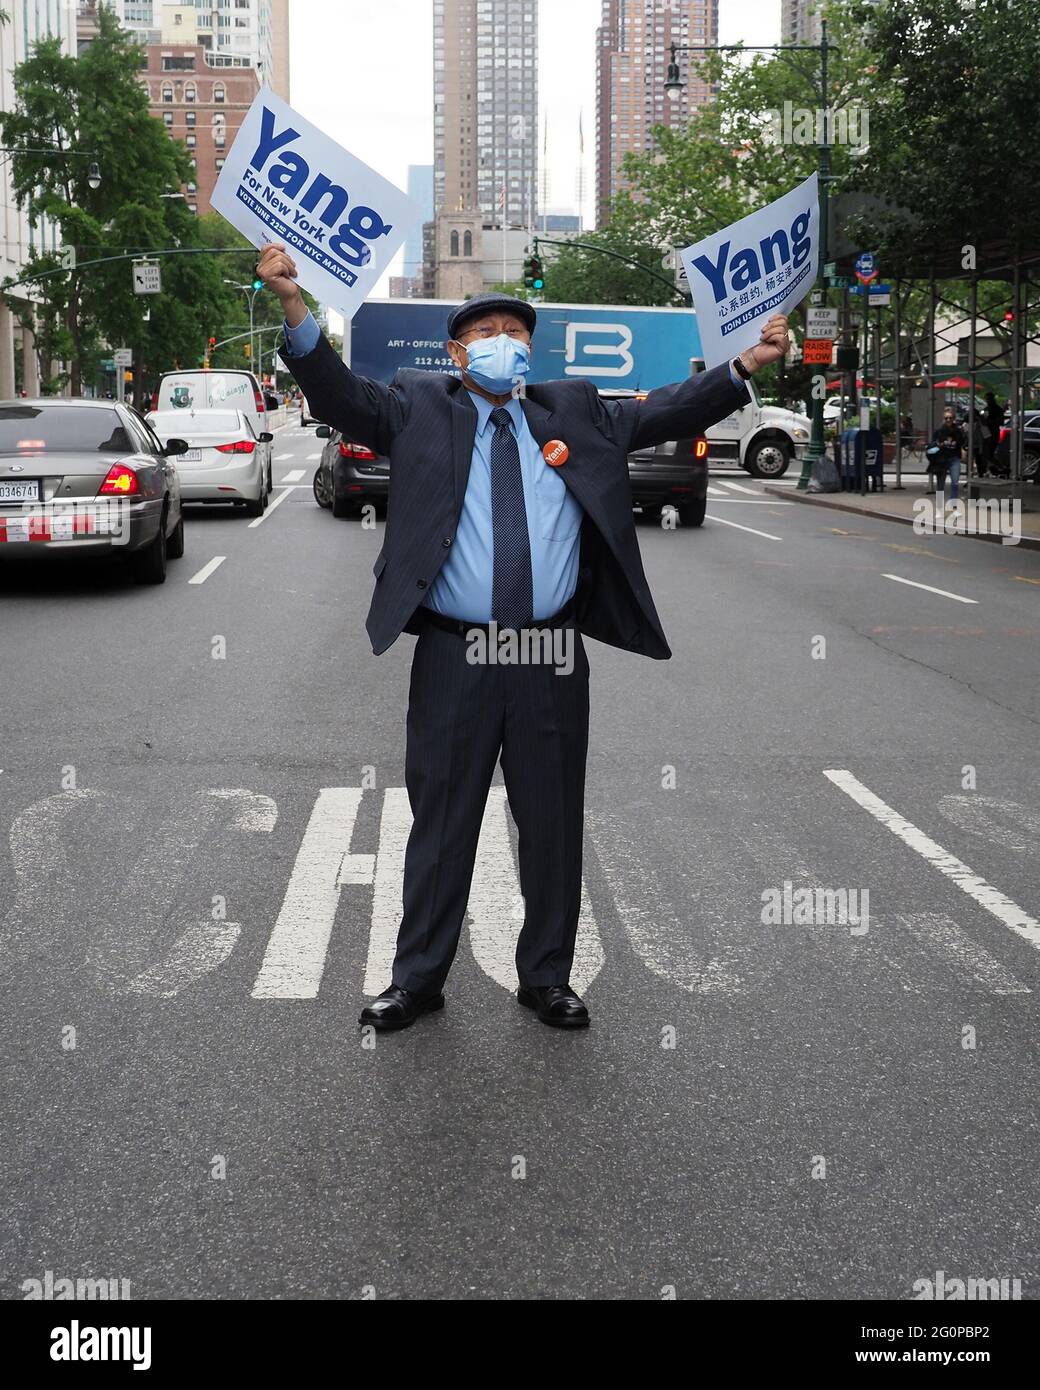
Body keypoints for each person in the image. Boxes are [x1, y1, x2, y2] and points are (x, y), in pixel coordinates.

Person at [257, 240, 790, 1032]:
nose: (502, 340)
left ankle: (547, 977)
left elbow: (666, 409)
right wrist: (295, 306)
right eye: (485, 331)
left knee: (550, 820)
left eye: (514, 329)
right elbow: (338, 396)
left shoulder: (575, 409)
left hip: (548, 651)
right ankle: (418, 979)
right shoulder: (416, 405)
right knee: (442, 821)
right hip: (455, 649)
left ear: (529, 350)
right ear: (456, 350)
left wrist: (745, 364)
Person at [931, 405, 967, 503]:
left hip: (954, 458)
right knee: (940, 483)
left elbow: (963, 442)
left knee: (955, 482)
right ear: (943, 419)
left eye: (950, 418)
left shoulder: (958, 431)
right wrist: (938, 445)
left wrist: (963, 450)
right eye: (946, 418)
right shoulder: (939, 431)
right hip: (942, 459)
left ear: (953, 419)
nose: (948, 420)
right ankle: (939, 503)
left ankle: (953, 501)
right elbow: (933, 444)